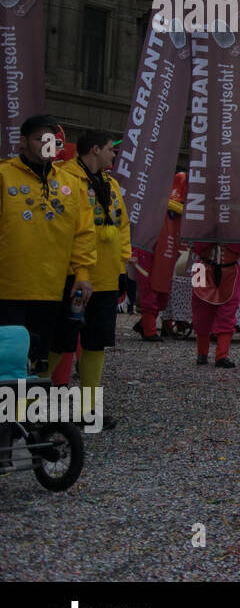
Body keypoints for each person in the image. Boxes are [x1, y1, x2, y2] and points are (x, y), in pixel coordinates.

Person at [0, 115, 95, 380]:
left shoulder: (70, 183)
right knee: (10, 359)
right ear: (22, 143)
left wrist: (83, 274)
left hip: (52, 287)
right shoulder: (3, 176)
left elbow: (83, 232)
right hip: (9, 289)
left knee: (43, 358)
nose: (46, 145)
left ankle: (34, 417)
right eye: (39, 139)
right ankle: (10, 419)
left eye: (51, 140)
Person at [49, 130, 131, 429]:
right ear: (94, 149)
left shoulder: (111, 184)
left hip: (106, 278)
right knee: (59, 341)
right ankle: (26, 411)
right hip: (75, 278)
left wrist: (121, 269)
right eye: (111, 149)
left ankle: (87, 411)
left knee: (96, 344)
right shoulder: (65, 178)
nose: (114, 154)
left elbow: (122, 226)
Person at [131, 172, 186, 342]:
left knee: (162, 293)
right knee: (151, 291)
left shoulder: (175, 209)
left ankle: (144, 324)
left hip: (164, 252)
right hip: (147, 251)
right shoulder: (154, 204)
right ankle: (149, 330)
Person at [190, 241, 240, 368]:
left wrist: (229, 243)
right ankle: (201, 353)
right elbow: (193, 244)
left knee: (228, 311)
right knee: (200, 311)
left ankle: (222, 355)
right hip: (202, 268)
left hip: (230, 270)